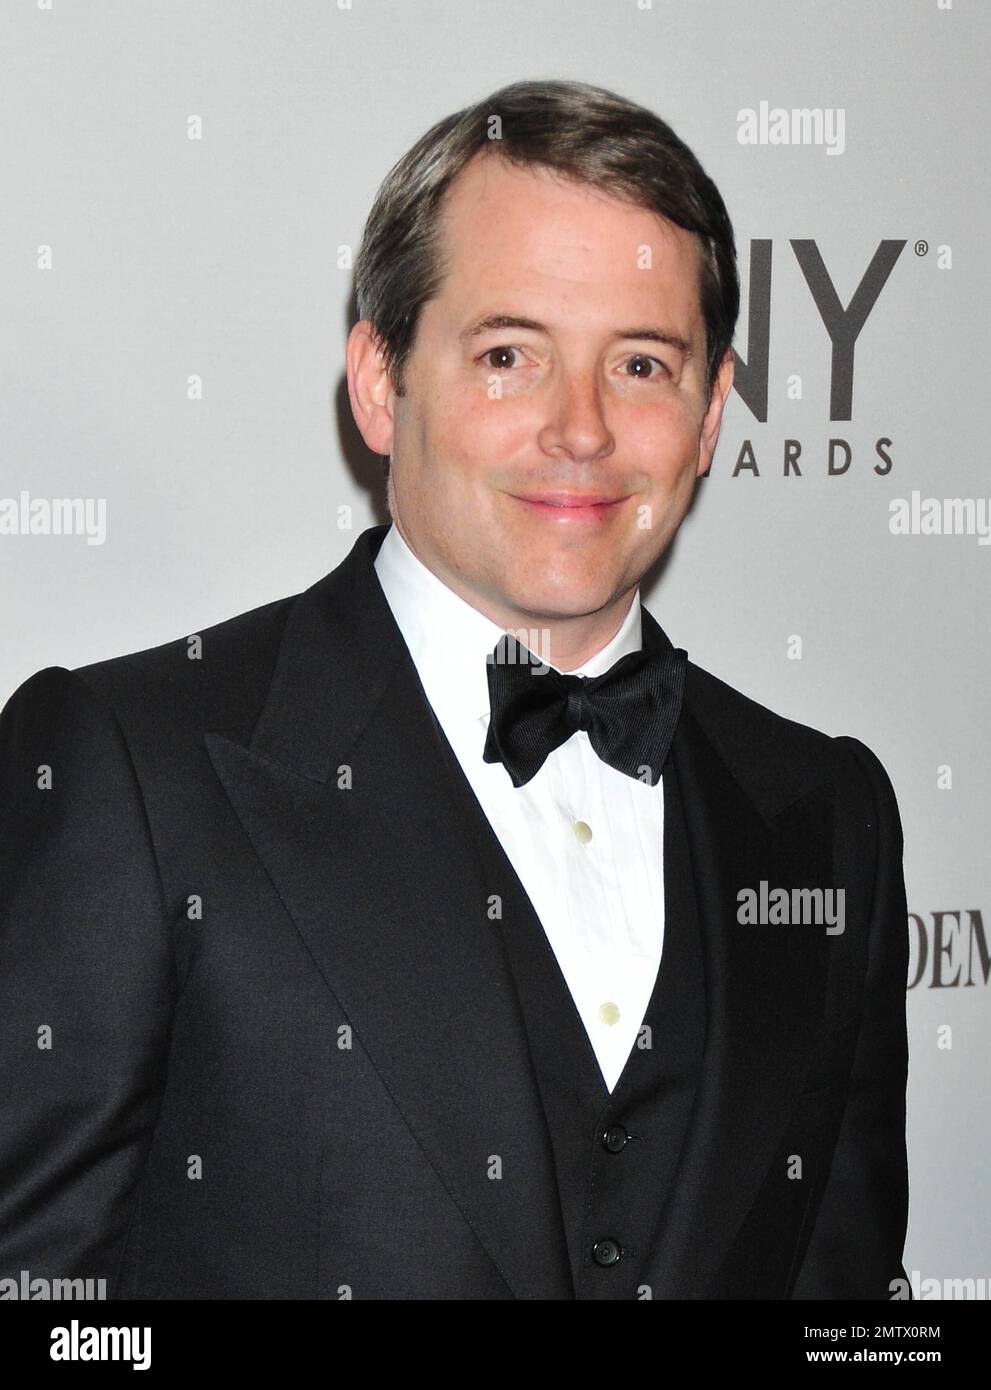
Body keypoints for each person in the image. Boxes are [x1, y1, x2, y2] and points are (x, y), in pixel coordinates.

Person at [0, 79, 909, 1300]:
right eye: (507, 355)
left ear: (707, 415)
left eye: (641, 363)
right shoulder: (131, 766)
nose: (580, 430)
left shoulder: (828, 812)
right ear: (382, 383)